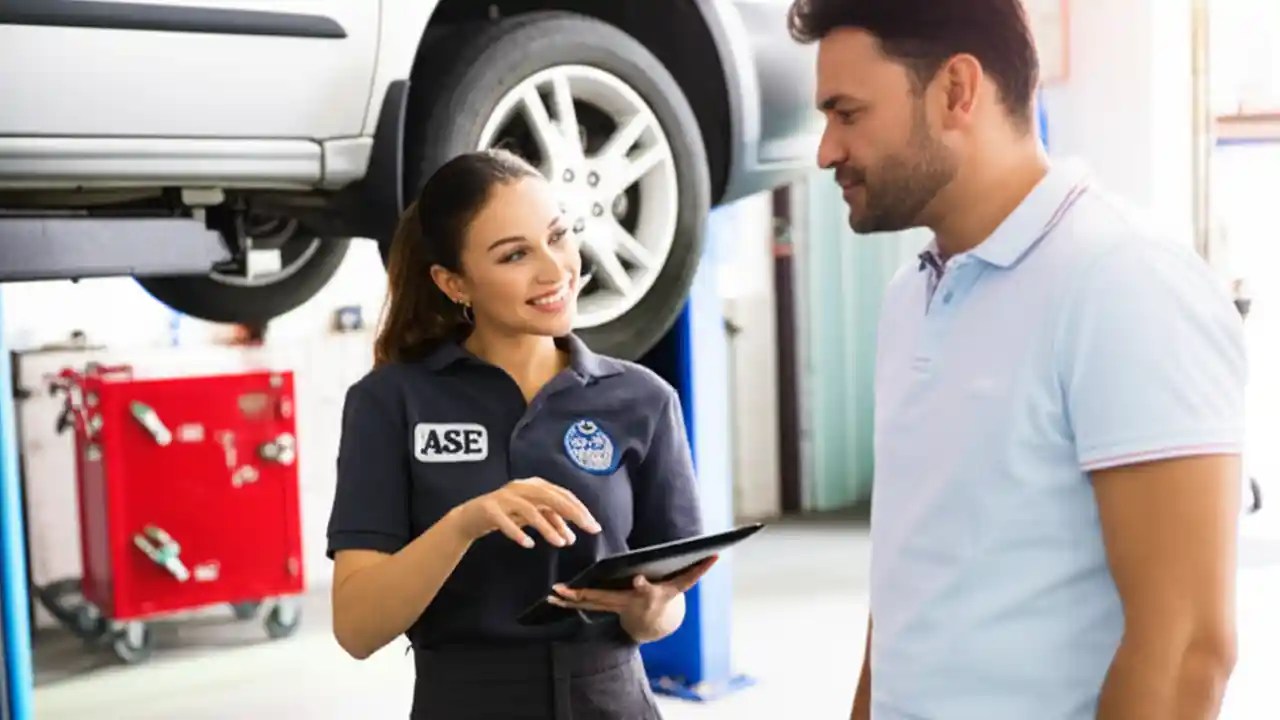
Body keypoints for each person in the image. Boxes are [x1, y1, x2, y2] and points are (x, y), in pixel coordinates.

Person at [786, 1, 1248, 719]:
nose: (826, 151)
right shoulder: (912, 295)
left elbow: (1188, 648)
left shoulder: (1123, 280)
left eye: (848, 114)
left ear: (956, 91)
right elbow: (911, 589)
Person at [324, 149, 711, 720]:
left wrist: (651, 612)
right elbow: (357, 628)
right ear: (454, 282)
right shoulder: (390, 403)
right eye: (514, 255)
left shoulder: (643, 399)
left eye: (558, 236)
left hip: (613, 702)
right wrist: (465, 524)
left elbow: (666, 601)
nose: (555, 271)